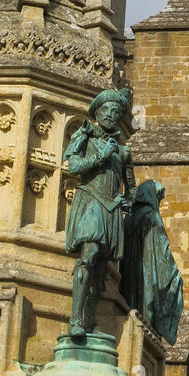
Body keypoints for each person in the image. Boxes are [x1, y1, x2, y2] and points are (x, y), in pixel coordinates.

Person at [63, 86, 135, 339]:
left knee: (102, 268)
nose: (111, 115)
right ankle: (75, 319)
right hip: (91, 201)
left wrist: (129, 201)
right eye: (106, 110)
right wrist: (100, 158)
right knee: (89, 255)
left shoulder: (124, 152)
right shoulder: (86, 136)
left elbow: (131, 187)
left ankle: (89, 319)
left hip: (112, 208)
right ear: (98, 112)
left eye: (116, 112)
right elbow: (72, 165)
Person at [121, 179, 183, 345]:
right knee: (146, 320)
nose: (159, 203)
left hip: (127, 279)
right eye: (159, 198)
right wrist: (175, 277)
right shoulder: (152, 218)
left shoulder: (128, 219)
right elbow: (161, 256)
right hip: (146, 280)